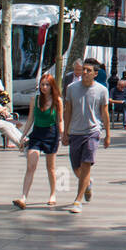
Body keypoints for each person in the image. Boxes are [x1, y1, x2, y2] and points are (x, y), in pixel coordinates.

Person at [63, 57, 111, 213]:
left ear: (95, 73)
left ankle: (77, 200)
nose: (84, 72)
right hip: (75, 132)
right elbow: (68, 111)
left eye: (88, 70)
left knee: (85, 165)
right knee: (76, 167)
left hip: (92, 132)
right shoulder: (71, 88)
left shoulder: (102, 90)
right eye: (83, 69)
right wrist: (65, 132)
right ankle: (88, 183)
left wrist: (108, 135)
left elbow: (105, 113)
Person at [14, 73, 63, 209]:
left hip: (51, 134)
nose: (44, 87)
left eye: (47, 85)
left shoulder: (57, 100)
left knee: (50, 168)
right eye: (42, 84)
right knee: (31, 166)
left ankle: (53, 194)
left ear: (52, 86)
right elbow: (30, 119)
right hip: (36, 134)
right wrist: (23, 135)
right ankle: (23, 197)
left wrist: (63, 135)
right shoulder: (34, 100)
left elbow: (60, 120)